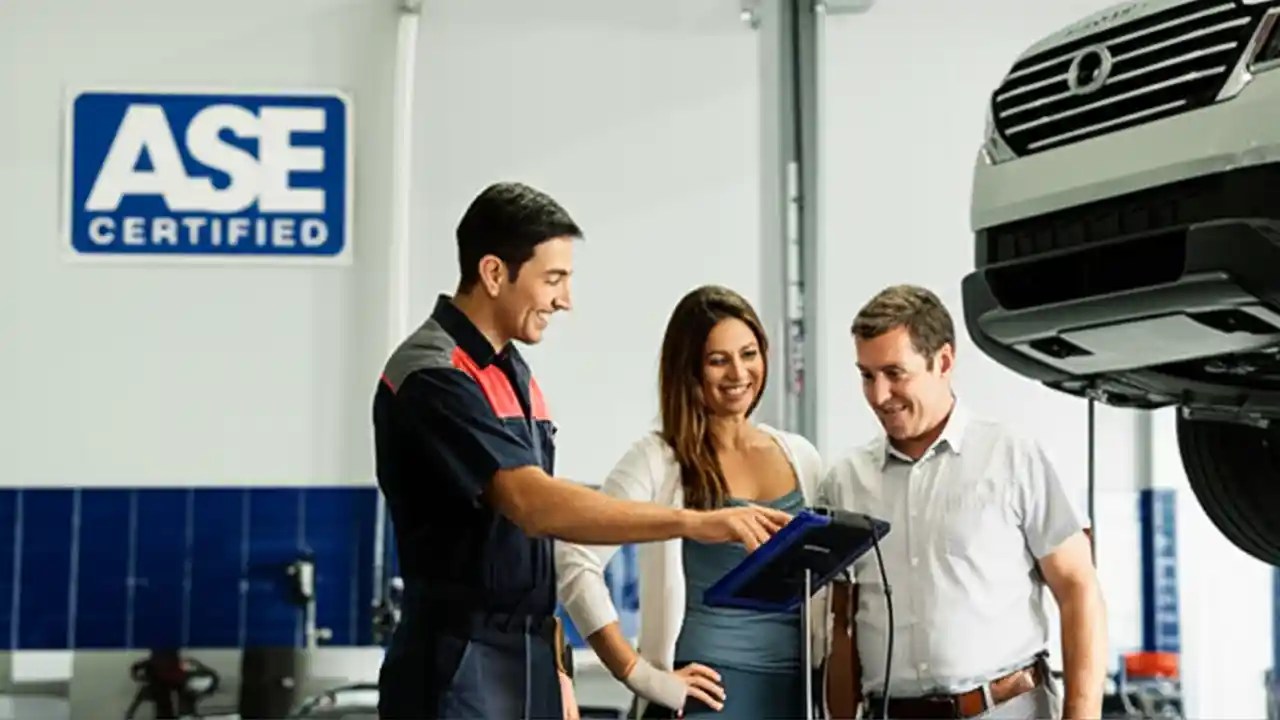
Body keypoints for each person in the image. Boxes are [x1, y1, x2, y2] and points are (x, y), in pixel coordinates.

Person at [371, 183, 793, 720]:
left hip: (524, 658)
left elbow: (532, 548)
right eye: (554, 279)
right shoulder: (434, 374)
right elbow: (533, 503)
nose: (564, 299)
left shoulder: (512, 371)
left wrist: (555, 668)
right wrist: (693, 522)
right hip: (458, 663)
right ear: (495, 273)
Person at [819, 284, 1108, 720]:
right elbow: (839, 628)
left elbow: (1078, 587)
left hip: (1007, 709)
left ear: (944, 362)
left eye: (895, 373)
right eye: (866, 375)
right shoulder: (845, 482)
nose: (879, 395)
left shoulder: (1011, 457)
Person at [556, 284, 828, 720]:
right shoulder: (658, 458)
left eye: (749, 353)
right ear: (690, 371)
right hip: (706, 697)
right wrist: (637, 672)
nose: (738, 373)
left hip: (795, 694)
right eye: (718, 360)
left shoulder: (803, 457)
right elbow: (573, 557)